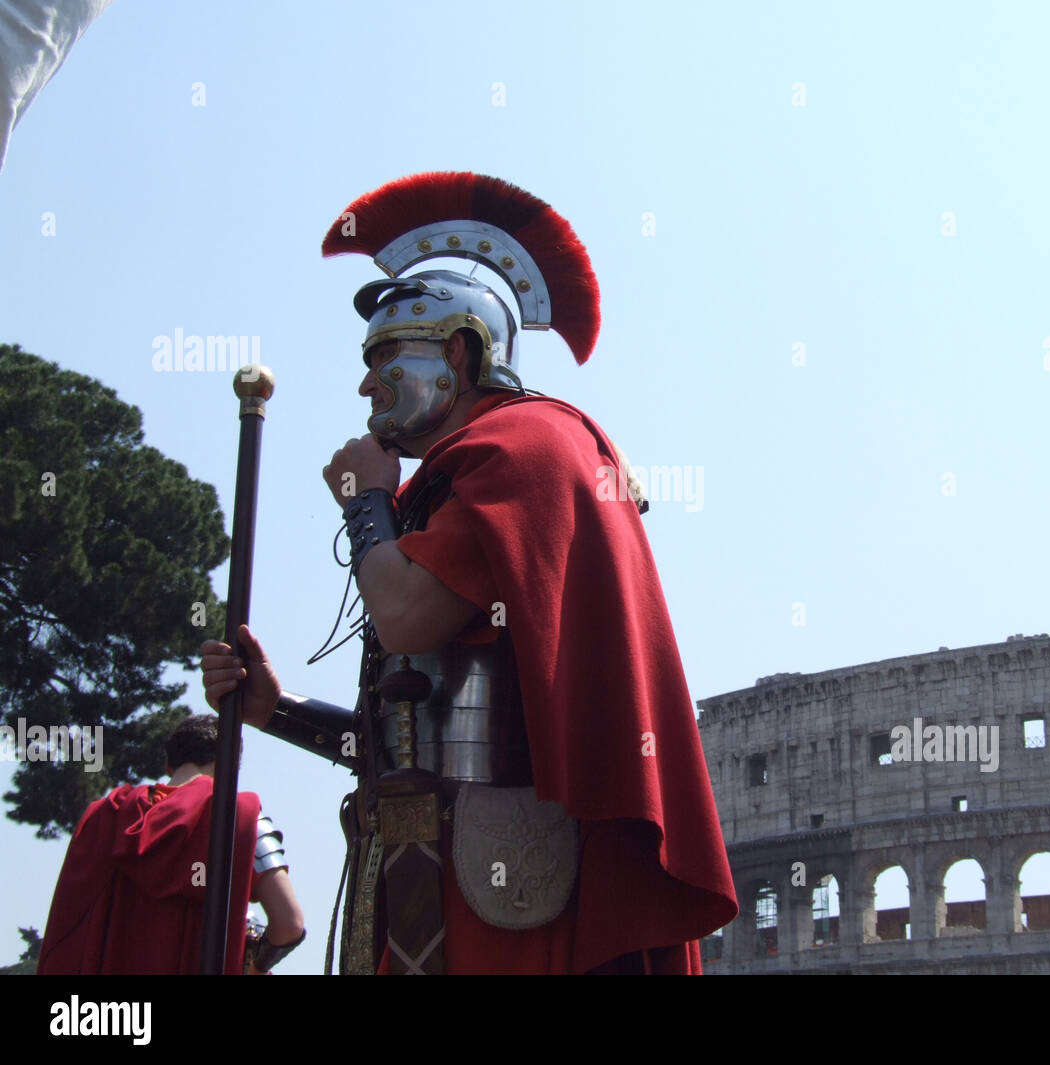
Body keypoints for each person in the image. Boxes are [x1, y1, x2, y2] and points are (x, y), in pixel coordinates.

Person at [201, 171, 737, 974]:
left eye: (384, 357)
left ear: (455, 352)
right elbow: (411, 738)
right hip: (423, 872)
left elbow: (406, 619)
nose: (365, 383)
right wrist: (275, 711)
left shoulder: (529, 448)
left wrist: (365, 499)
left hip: (508, 888)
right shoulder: (451, 480)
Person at [38, 714, 306, 975]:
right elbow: (289, 925)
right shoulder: (240, 820)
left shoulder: (106, 819)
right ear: (231, 765)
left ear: (169, 763)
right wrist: (256, 966)